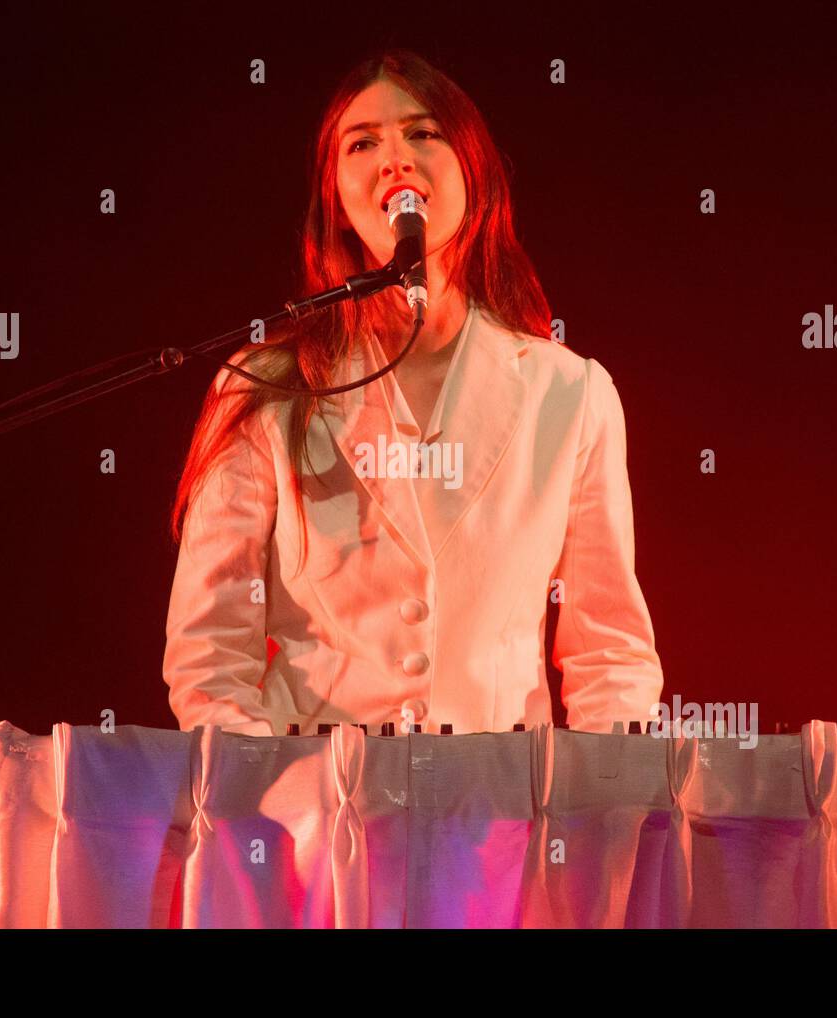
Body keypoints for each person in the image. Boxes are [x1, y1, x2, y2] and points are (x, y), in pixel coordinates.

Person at [163, 49, 664, 736]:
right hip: (309, 821)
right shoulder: (265, 388)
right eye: (362, 142)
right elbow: (209, 656)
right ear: (337, 200)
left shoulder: (569, 394)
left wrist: (594, 821)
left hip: (502, 820)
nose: (394, 158)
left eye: (423, 133)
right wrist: (276, 817)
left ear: (474, 175)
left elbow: (610, 656)